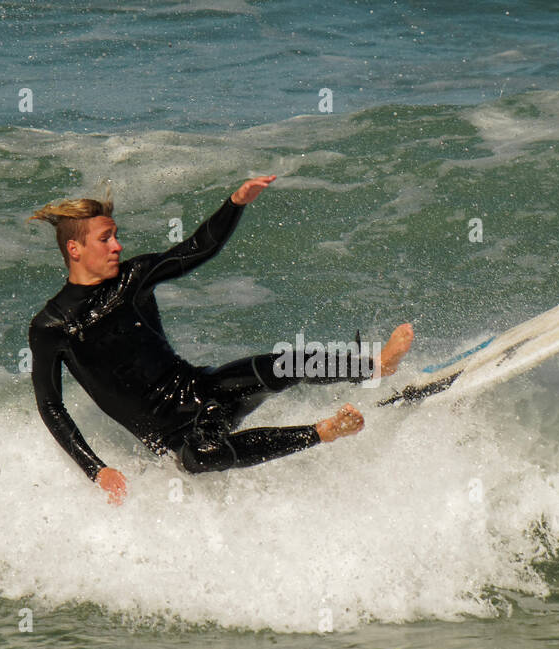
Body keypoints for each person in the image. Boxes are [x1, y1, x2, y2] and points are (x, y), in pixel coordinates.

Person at [27, 175, 414, 504]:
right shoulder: (51, 327)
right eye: (106, 239)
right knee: (201, 457)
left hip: (206, 389)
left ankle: (374, 365)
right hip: (176, 436)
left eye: (116, 236)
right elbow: (51, 407)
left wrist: (236, 203)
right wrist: (97, 470)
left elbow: (196, 249)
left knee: (279, 364)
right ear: (74, 248)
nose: (118, 246)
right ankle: (323, 431)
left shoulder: (133, 278)